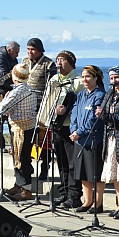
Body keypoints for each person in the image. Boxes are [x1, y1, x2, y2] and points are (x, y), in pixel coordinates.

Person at [41, 50, 83, 209]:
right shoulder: (54, 79)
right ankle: (64, 192)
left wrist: (66, 109)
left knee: (72, 163)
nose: (58, 63)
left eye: (62, 60)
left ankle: (74, 195)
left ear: (71, 62)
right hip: (56, 125)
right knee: (62, 163)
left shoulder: (77, 81)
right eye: (57, 60)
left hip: (70, 127)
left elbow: (79, 104)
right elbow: (48, 99)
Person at [0, 64, 39, 201]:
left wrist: (6, 97)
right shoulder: (30, 89)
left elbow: (2, 108)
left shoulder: (17, 91)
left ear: (15, 76)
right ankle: (18, 184)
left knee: (21, 158)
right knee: (20, 157)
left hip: (20, 128)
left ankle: (26, 190)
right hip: (29, 126)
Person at [69, 65, 106, 212]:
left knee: (95, 174)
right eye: (83, 76)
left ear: (95, 78)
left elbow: (93, 119)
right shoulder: (81, 95)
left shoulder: (100, 95)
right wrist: (73, 130)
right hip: (79, 140)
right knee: (83, 173)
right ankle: (87, 201)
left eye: (88, 76)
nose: (85, 79)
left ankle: (98, 203)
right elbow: (74, 114)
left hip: (93, 140)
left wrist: (80, 131)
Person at [20, 38, 57, 179]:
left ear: (40, 50)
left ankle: (44, 167)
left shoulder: (49, 64)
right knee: (27, 138)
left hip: (42, 106)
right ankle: (27, 167)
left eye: (33, 49)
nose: (30, 52)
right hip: (25, 107)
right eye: (28, 49)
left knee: (44, 140)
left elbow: (52, 86)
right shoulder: (24, 62)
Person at [99, 66, 119, 218]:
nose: (114, 81)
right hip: (110, 136)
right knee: (115, 174)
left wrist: (113, 116)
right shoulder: (110, 93)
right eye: (112, 78)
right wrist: (102, 114)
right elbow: (108, 116)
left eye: (117, 77)